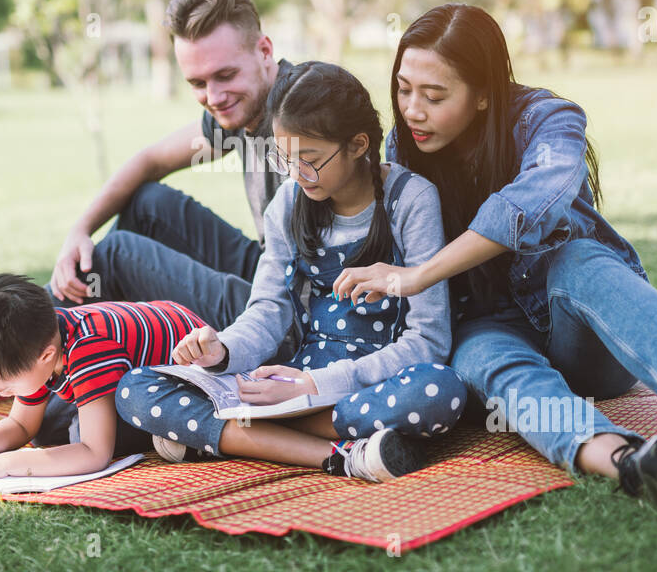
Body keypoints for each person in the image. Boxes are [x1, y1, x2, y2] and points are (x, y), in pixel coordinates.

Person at [331, 3, 657, 509]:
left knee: (578, 259)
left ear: (482, 96)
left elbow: (523, 207)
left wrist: (416, 276)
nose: (412, 110)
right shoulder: (402, 151)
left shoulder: (548, 120)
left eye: (434, 95)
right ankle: (635, 463)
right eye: (404, 89)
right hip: (488, 328)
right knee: (477, 354)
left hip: (587, 340)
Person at [0, 0, 301, 447]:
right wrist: (78, 231)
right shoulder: (242, 104)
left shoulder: (304, 106)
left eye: (224, 75)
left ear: (265, 50)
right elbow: (149, 160)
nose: (213, 96)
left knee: (115, 254)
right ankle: (29, 362)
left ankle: (13, 365)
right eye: (197, 83)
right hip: (265, 267)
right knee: (147, 202)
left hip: (290, 311)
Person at [116, 62, 464, 483]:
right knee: (136, 388)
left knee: (438, 391)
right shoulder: (288, 202)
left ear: (358, 145)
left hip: (368, 382)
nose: (298, 175)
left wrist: (312, 386)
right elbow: (267, 309)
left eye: (311, 160)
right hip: (289, 383)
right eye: (285, 159)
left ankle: (241, 436)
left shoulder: (411, 200)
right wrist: (221, 351)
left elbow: (429, 339)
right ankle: (340, 453)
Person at [0, 273, 206, 488]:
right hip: (125, 368)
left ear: (46, 356)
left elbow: (95, 455)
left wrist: (6, 463)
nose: (4, 396)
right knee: (45, 429)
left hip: (194, 379)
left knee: (78, 439)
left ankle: (180, 437)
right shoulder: (39, 342)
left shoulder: (89, 348)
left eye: (7, 388)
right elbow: (22, 424)